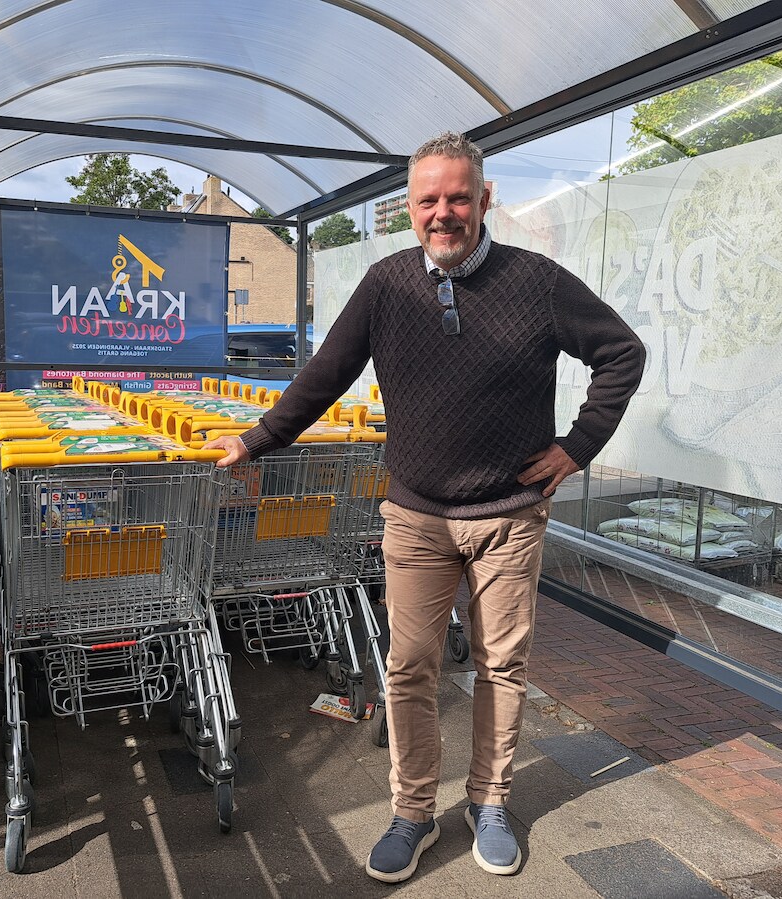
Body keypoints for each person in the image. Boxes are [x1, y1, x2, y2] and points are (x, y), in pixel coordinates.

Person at [205, 132, 645, 883]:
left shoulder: (537, 282)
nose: (444, 214)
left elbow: (622, 353)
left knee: (503, 667)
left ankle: (490, 801)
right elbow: (326, 375)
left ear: (484, 199)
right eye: (428, 200)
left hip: (509, 513)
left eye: (458, 198)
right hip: (415, 516)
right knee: (409, 665)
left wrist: (577, 446)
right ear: (409, 207)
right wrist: (257, 439)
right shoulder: (385, 286)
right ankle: (412, 811)